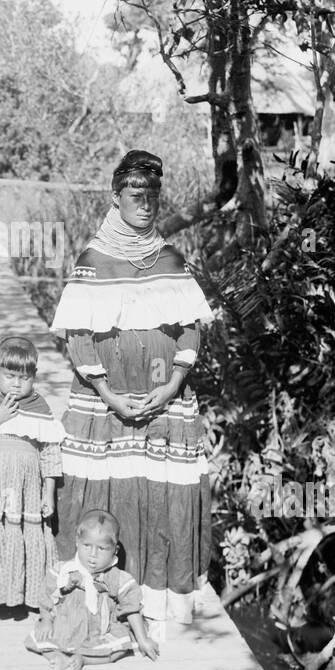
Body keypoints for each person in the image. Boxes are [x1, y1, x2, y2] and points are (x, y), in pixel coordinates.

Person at [50, 149, 216, 625]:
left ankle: (156, 595)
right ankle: (93, 593)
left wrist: (172, 386)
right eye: (135, 195)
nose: (145, 204)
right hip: (108, 405)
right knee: (105, 488)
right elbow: (80, 336)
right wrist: (108, 394)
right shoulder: (94, 260)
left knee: (159, 491)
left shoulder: (169, 258)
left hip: (163, 402)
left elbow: (189, 328)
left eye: (153, 196)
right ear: (116, 197)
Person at [0, 335, 64, 613]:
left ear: (34, 376)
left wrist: (49, 492)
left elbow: (51, 453)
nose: (17, 383)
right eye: (9, 376)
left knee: (21, 534)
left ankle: (26, 594)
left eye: (24, 377)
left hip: (26, 484)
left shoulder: (41, 409)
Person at [25, 509, 160, 670]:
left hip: (100, 631)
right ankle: (57, 657)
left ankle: (84, 659)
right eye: (87, 546)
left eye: (102, 549)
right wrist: (46, 619)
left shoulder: (116, 577)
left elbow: (131, 608)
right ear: (77, 541)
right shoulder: (64, 570)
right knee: (39, 638)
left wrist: (143, 639)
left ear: (115, 550)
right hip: (66, 627)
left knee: (120, 649)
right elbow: (47, 598)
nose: (92, 555)